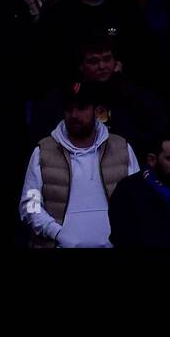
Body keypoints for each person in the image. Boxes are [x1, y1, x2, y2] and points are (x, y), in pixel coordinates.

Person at [20, 81, 138, 248]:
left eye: (81, 108)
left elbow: (138, 201)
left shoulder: (122, 148)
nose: (74, 115)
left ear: (96, 111)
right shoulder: (43, 151)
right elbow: (30, 204)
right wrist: (57, 232)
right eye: (69, 109)